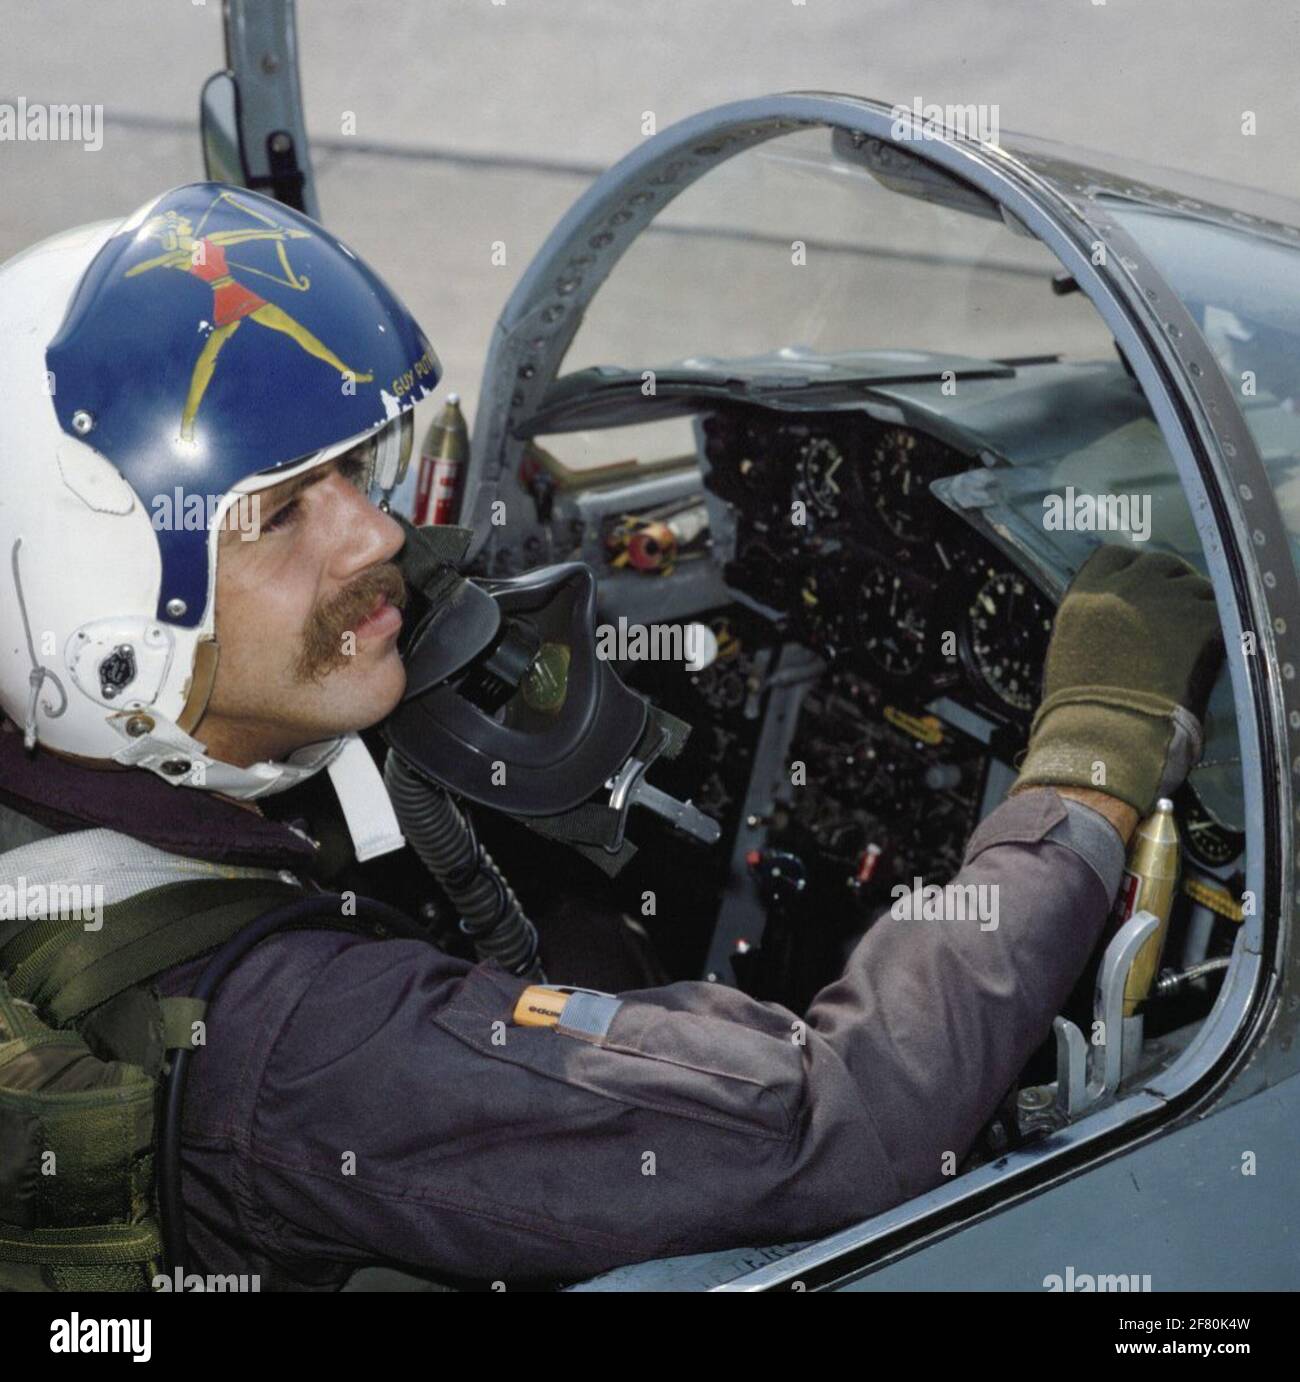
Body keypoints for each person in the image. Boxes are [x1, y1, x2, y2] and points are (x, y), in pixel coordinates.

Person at [0, 185, 1223, 1290]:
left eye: (350, 473)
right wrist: (1085, 765)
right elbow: (835, 1122)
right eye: (278, 513)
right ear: (109, 620)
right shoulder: (303, 1049)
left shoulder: (50, 791)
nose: (372, 535)